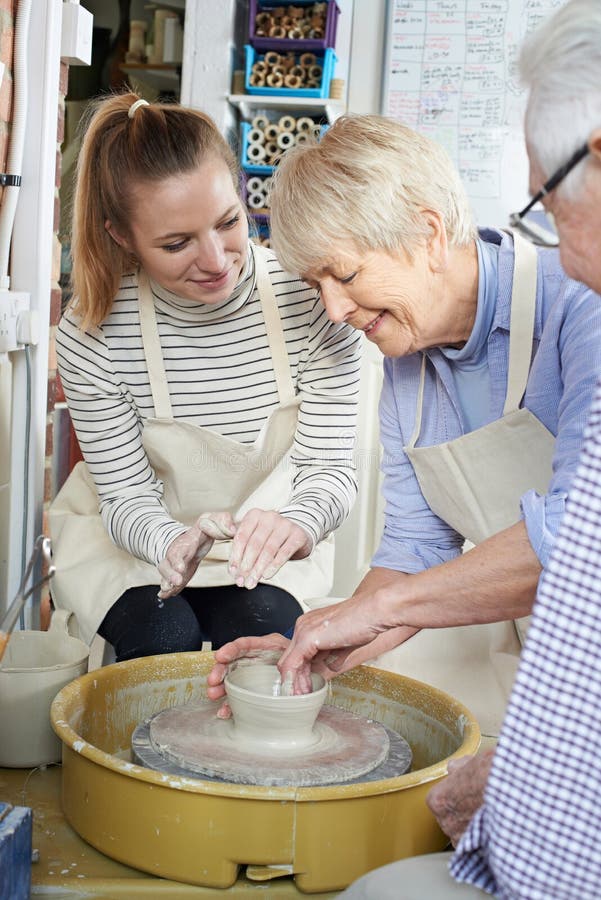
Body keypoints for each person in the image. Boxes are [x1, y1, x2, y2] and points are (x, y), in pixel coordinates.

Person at [207, 111, 601, 739]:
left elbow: (580, 537)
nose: (335, 310)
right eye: (317, 286)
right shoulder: (407, 369)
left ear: (427, 234)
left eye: (347, 275)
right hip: (543, 629)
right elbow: (415, 550)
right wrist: (311, 645)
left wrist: (380, 609)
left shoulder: (581, 307)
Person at [48, 93, 361, 660]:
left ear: (243, 196)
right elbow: (125, 497)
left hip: (261, 557)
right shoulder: (91, 333)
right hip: (137, 547)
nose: (216, 259)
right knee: (164, 640)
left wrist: (299, 523)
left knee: (264, 639)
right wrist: (173, 543)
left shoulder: (315, 300)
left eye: (228, 222)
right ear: (121, 235)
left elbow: (329, 471)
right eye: (176, 243)